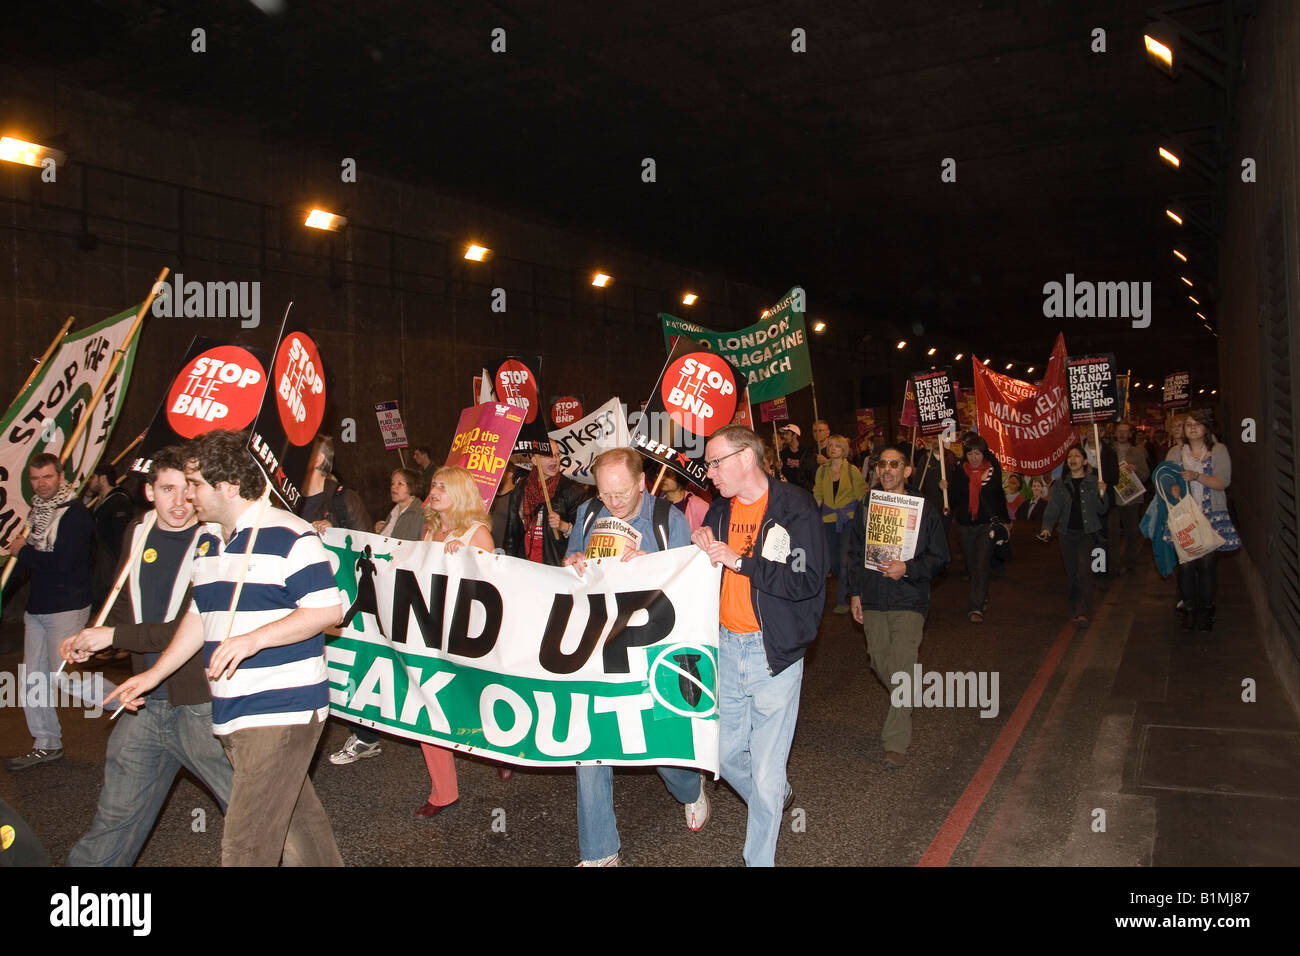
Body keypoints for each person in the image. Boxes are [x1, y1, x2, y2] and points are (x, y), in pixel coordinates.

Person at [106, 430, 345, 866]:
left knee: (245, 846)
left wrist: (253, 639)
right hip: (232, 708)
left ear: (229, 487)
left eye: (195, 484)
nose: (188, 494)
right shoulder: (209, 539)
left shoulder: (291, 534)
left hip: (283, 709)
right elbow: (200, 615)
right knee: (298, 828)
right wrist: (153, 674)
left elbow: (328, 610)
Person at [59, 446, 234, 865]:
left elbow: (192, 627)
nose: (179, 501)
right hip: (144, 703)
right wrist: (94, 645)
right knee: (114, 820)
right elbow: (123, 611)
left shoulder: (217, 540)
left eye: (187, 489)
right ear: (149, 490)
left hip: (201, 704)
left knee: (253, 814)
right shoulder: (137, 533)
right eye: (167, 489)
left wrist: (112, 635)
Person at [563, 448, 707, 866]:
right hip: (600, 643)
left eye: (621, 494)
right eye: (605, 494)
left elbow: (689, 583)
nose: (613, 503)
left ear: (642, 482)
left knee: (653, 739)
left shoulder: (668, 520)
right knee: (590, 742)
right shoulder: (589, 513)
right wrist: (572, 560)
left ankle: (689, 787)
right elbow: (572, 563)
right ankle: (601, 852)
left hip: (652, 644)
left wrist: (654, 566)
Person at [692, 425, 826, 866]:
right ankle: (774, 796)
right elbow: (703, 566)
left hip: (774, 655)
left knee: (766, 770)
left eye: (716, 462)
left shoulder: (795, 507)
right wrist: (698, 547)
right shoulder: (717, 511)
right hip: (726, 650)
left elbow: (805, 580)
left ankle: (759, 858)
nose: (709, 472)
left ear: (746, 458)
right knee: (724, 754)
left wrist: (741, 561)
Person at [846, 447, 949, 770]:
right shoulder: (866, 506)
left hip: (909, 598)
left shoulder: (925, 509)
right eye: (882, 464)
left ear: (908, 471)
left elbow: (940, 557)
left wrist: (908, 568)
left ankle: (895, 742)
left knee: (903, 667)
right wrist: (854, 593)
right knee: (878, 660)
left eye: (895, 464)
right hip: (874, 596)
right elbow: (852, 553)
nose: (887, 470)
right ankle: (908, 693)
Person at [6, 453, 100, 770]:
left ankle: (132, 700)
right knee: (32, 679)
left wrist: (23, 551)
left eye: (47, 477)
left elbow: (60, 564)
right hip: (38, 608)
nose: (42, 484)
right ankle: (46, 743)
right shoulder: (35, 514)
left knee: (66, 677)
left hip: (67, 606)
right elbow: (28, 566)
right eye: (35, 479)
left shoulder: (75, 515)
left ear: (60, 476)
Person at [412, 465, 498, 818]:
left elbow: (494, 591)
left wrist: (463, 560)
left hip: (468, 637)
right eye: (433, 484)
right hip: (431, 631)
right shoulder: (429, 529)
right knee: (427, 705)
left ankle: (504, 751)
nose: (434, 490)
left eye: (443, 487)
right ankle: (443, 792)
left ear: (460, 494)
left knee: (476, 705)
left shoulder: (478, 533)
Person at [330, 466, 426, 766]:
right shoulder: (396, 512)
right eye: (392, 482)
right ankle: (370, 727)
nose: (393, 487)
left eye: (399, 483)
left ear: (412, 487)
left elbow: (405, 551)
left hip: (394, 595)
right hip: (380, 594)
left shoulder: (416, 515)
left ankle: (385, 720)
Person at [1165, 409, 1238, 630]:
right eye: (1188, 424)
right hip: (1184, 519)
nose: (1192, 427)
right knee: (1186, 566)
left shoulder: (1218, 451)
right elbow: (1165, 484)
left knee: (1207, 567)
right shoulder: (1175, 453)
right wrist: (1173, 489)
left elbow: (1223, 482)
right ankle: (1188, 610)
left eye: (1197, 424)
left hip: (1211, 516)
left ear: (1206, 427)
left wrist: (1198, 476)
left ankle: (1207, 611)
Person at [1037, 445, 1109, 625]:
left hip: (1088, 533)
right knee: (1072, 573)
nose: (1073, 459)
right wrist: (1047, 527)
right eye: (1070, 456)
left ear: (1084, 461)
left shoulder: (1094, 482)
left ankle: (1083, 611)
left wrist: (1103, 493)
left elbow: (1102, 509)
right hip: (1066, 534)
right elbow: (1053, 508)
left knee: (1085, 570)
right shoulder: (1061, 484)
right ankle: (1076, 603)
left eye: (1077, 455)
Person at [943, 434, 1010, 623]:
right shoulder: (959, 471)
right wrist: (945, 490)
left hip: (985, 525)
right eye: (970, 453)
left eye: (978, 453)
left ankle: (976, 607)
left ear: (984, 453)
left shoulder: (992, 469)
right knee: (973, 566)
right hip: (964, 526)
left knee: (981, 564)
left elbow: (998, 496)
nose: (974, 457)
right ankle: (983, 593)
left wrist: (1005, 519)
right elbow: (954, 501)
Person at [502, 442, 590, 566]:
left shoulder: (573, 491)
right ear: (534, 460)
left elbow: (586, 536)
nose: (555, 460)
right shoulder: (522, 487)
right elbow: (511, 532)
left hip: (555, 567)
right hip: (523, 565)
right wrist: (507, 563)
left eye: (557, 455)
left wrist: (563, 526)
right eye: (548, 456)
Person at [812, 434, 867, 614]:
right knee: (832, 561)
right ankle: (850, 584)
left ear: (843, 449)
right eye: (830, 446)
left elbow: (861, 495)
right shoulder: (821, 471)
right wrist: (812, 517)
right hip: (827, 519)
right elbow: (817, 495)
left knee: (844, 560)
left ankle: (842, 599)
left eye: (837, 446)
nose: (832, 449)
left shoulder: (852, 471)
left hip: (848, 519)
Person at [299, 435, 372, 535]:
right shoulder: (288, 496)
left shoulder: (345, 498)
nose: (295, 456)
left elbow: (366, 544)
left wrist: (335, 534)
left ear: (318, 460)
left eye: (303, 452)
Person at [86, 463, 136, 609]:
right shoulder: (101, 500)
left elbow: (119, 539)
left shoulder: (119, 502)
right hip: (98, 565)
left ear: (102, 478)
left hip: (108, 567)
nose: (90, 481)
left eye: (93, 477)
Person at [1110, 421, 1151, 574]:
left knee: (1132, 532)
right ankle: (1114, 564)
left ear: (1130, 434)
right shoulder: (1108, 451)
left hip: (1132, 497)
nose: (1122, 434)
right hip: (1113, 498)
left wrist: (1135, 470)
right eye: (1119, 431)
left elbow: (1146, 474)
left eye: (1125, 431)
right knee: (1113, 532)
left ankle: (1130, 561)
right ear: (1115, 433)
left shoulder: (1138, 452)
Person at [914, 436, 957, 534]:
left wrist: (948, 489)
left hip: (947, 508)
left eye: (938, 438)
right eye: (933, 438)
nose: (935, 441)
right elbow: (918, 484)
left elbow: (957, 483)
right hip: (930, 509)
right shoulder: (925, 459)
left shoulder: (951, 458)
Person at [776, 425, 817, 491]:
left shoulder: (807, 452)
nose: (784, 436)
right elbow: (781, 475)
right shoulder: (783, 454)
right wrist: (778, 469)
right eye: (784, 434)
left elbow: (812, 472)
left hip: (806, 491)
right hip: (790, 491)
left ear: (795, 435)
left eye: (787, 434)